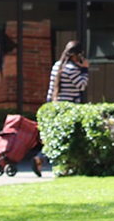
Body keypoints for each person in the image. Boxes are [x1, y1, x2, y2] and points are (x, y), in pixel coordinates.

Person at [34, 40, 89, 176]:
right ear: (76, 55)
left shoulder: (57, 66)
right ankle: (50, 161)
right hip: (69, 107)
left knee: (57, 136)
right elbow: (81, 85)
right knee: (68, 138)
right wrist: (85, 69)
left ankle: (40, 159)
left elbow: (51, 88)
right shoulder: (71, 68)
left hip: (55, 105)